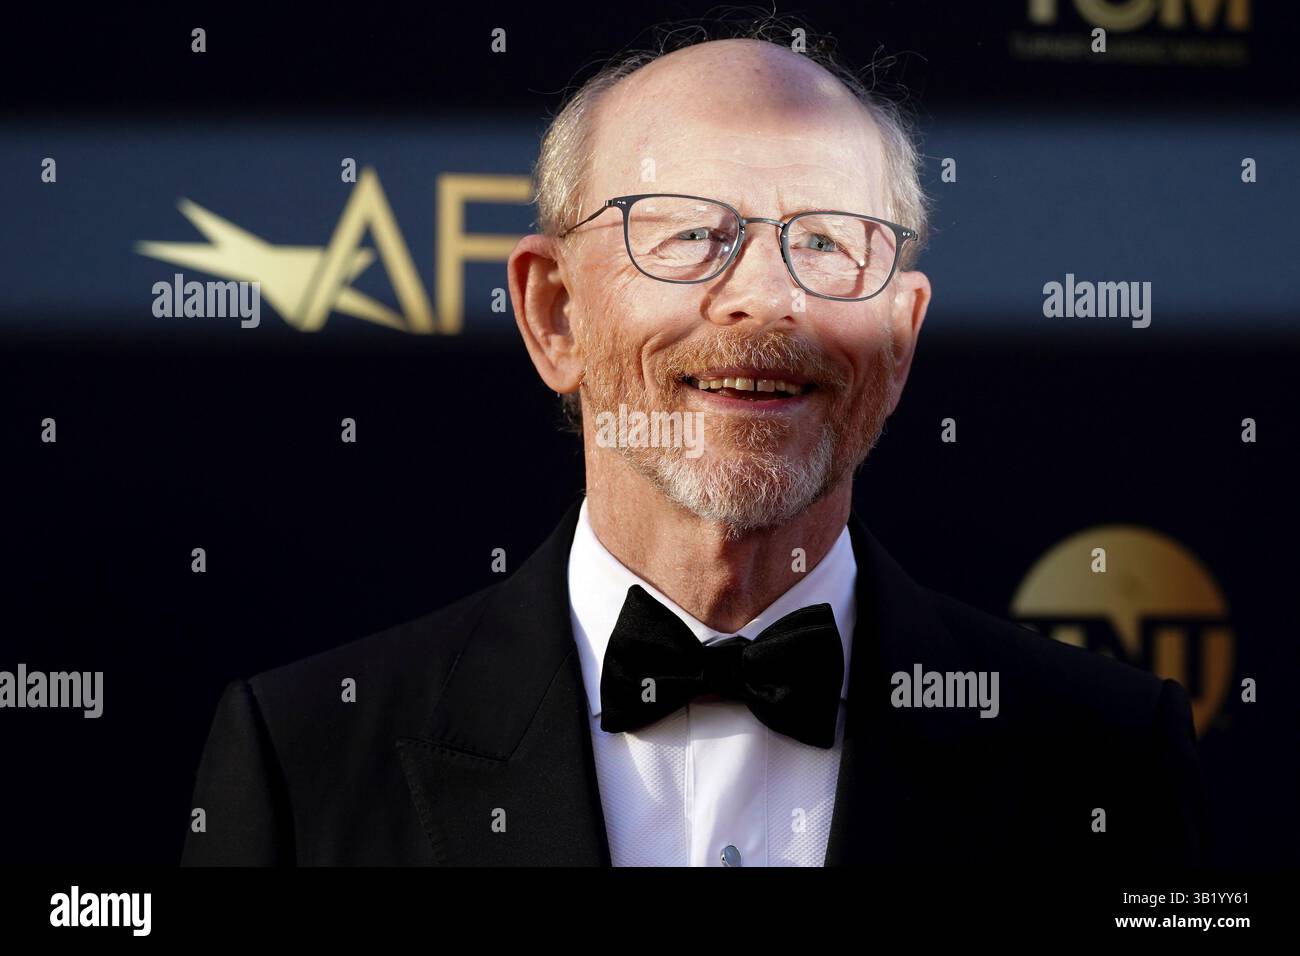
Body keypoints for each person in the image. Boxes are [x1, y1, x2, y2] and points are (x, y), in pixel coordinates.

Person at [182, 28, 1206, 867]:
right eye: (684, 233)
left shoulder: (1102, 760)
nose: (766, 295)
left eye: (823, 241)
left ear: (897, 342)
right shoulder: (306, 760)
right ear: (554, 315)